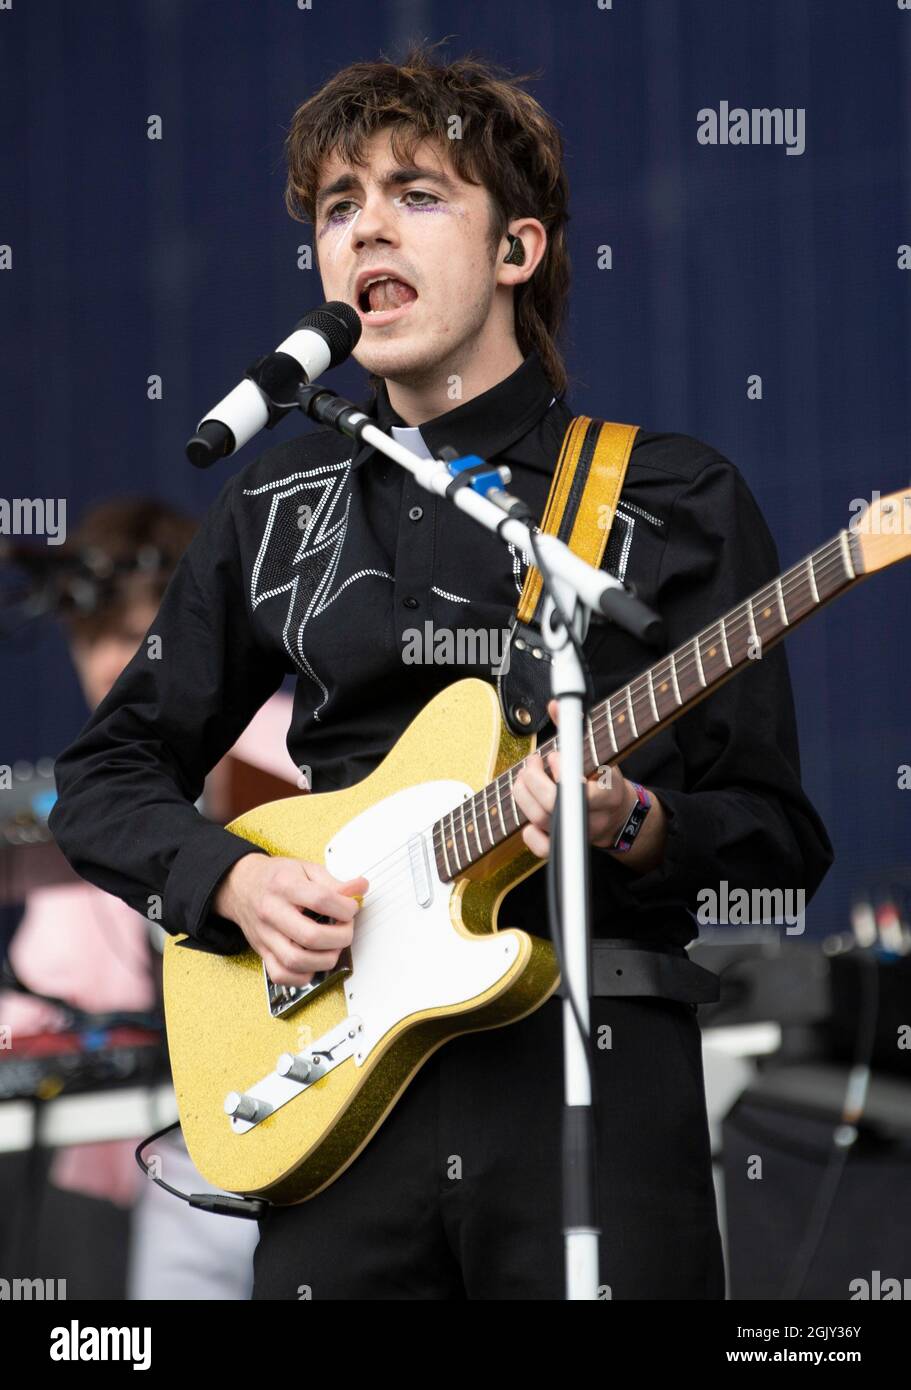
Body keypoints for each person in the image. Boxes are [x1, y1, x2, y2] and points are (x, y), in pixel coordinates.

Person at [48, 44, 833, 1300]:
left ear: (517, 251)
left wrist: (628, 819)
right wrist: (233, 880)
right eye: (337, 206)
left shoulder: (667, 495)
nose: (367, 231)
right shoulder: (276, 500)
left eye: (417, 194)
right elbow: (102, 773)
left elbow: (778, 835)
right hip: (338, 1094)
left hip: (586, 1067)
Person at [0, 497, 261, 1299]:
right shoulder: (77, 820)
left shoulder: (293, 750)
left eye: (139, 641)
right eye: (96, 641)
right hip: (164, 1164)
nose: (114, 667)